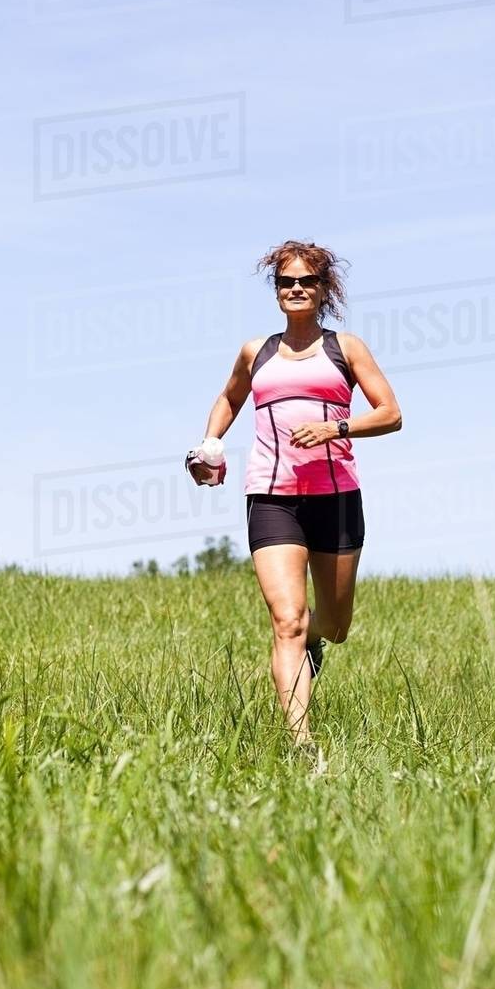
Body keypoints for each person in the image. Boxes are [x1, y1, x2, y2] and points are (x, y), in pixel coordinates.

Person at [187, 240, 402, 752]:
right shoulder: (255, 352)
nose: (297, 289)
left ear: (324, 288)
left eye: (307, 281)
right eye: (287, 282)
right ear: (277, 290)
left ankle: (314, 643)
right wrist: (209, 445)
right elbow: (229, 397)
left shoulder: (345, 349)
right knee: (287, 619)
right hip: (272, 497)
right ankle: (302, 744)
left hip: (336, 498)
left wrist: (337, 429)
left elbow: (391, 412)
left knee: (333, 624)